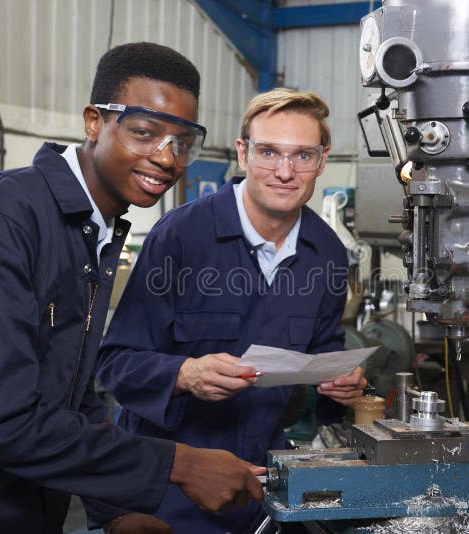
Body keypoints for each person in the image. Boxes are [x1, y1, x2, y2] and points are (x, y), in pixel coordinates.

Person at [0, 42, 264, 534]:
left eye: (182, 142)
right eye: (144, 133)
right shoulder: (4, 217)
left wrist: (113, 509)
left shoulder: (93, 231)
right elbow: (2, 420)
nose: (166, 158)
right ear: (95, 121)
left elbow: (68, 392)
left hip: (29, 506)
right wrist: (180, 464)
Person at [90, 88, 368, 533]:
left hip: (261, 489)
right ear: (243, 152)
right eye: (268, 152)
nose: (284, 171)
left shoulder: (328, 254)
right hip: (169, 489)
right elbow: (116, 364)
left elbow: (319, 361)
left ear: (322, 159)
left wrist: (339, 385)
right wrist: (186, 375)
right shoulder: (181, 236)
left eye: (302, 155)